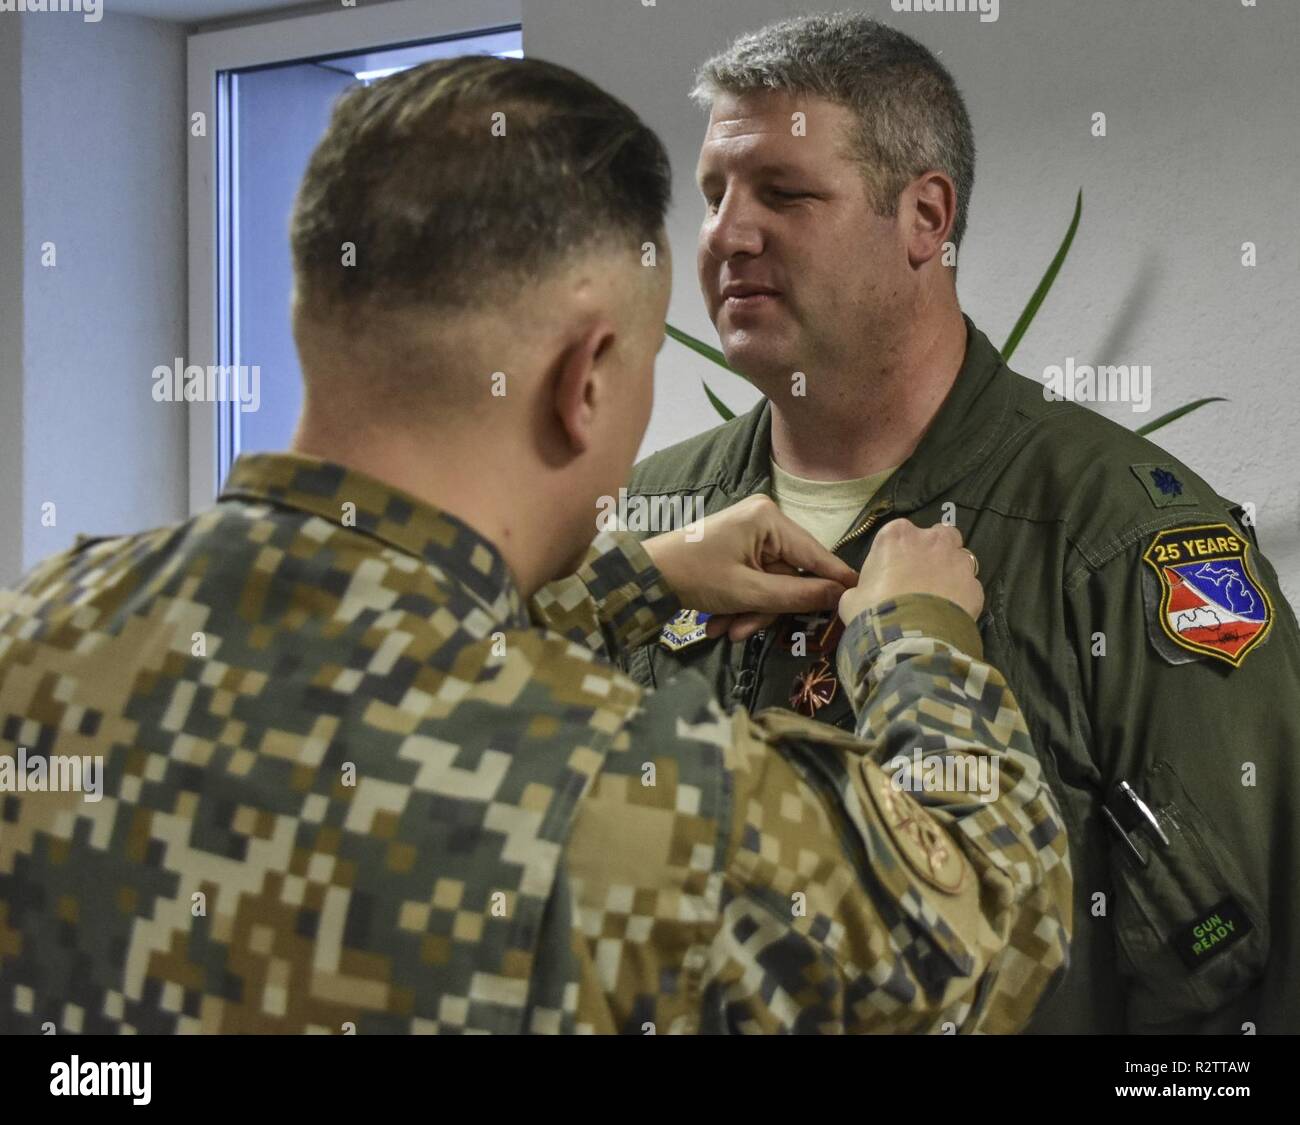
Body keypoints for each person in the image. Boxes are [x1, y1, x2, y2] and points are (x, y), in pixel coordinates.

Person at [0, 55, 1069, 1035]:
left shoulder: (37, 637)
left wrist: (626, 586)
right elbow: (977, 925)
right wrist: (916, 637)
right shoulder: (629, 796)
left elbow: (373, 671)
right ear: (586, 380)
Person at [623, 12, 1300, 1033]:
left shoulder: (1122, 540)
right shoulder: (651, 523)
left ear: (925, 218)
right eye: (714, 193)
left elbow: (1243, 968)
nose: (725, 232)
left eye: (784, 192)